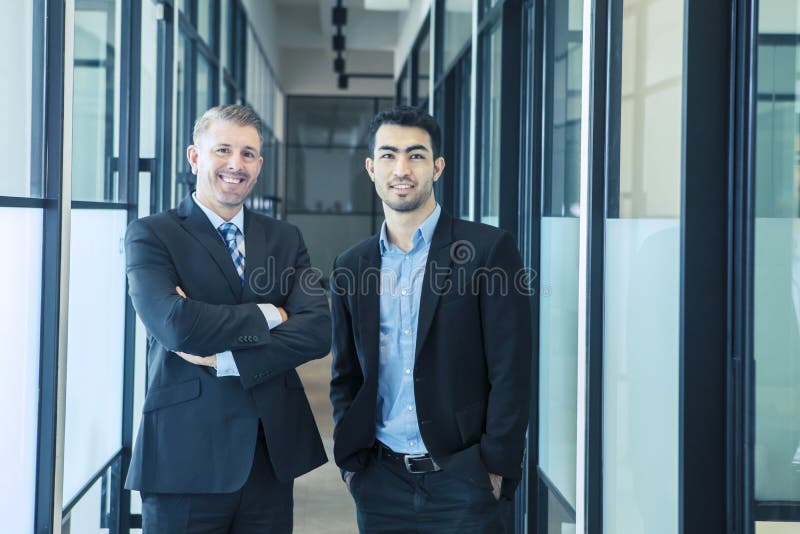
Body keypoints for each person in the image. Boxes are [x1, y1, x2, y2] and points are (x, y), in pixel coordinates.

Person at [124, 105, 330, 533]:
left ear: (259, 165)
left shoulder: (285, 237)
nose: (236, 164)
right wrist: (273, 313)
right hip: (184, 456)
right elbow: (176, 325)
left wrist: (225, 359)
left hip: (269, 454)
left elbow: (317, 330)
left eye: (248, 153)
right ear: (194, 157)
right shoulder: (152, 234)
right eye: (223, 150)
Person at [329, 105, 533, 532]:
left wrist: (495, 466)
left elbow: (511, 370)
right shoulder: (352, 265)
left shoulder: (487, 250)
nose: (401, 169)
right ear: (371, 168)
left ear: (437, 167)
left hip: (465, 480)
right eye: (388, 155)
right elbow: (346, 374)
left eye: (416, 155)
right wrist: (352, 464)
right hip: (380, 481)